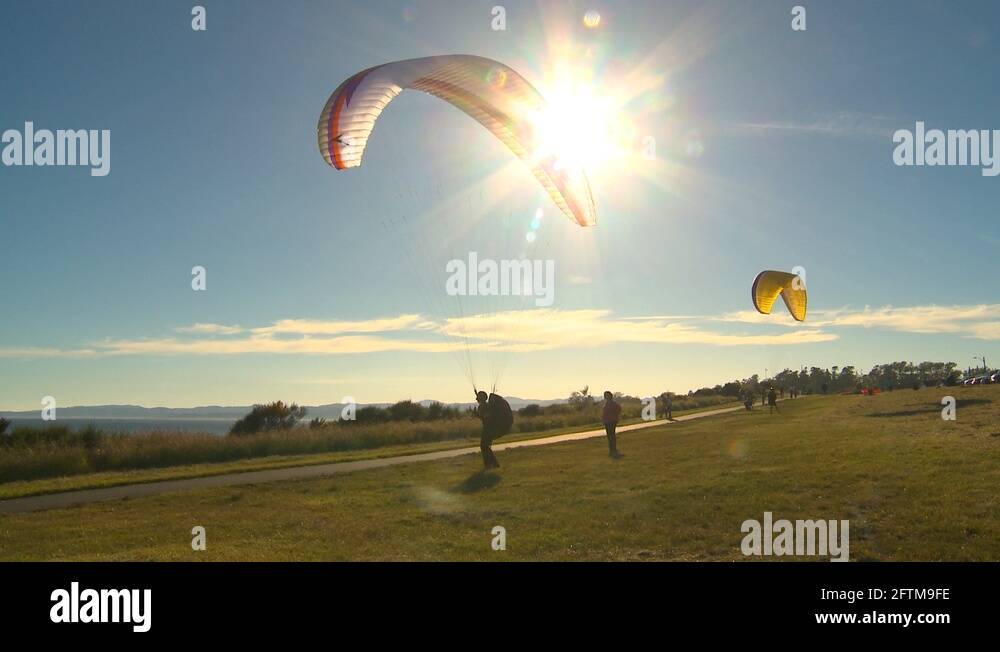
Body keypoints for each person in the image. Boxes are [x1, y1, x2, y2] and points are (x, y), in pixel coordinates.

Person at [475, 390, 501, 469]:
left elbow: (487, 417)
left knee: (484, 446)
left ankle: (493, 464)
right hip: (488, 428)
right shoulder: (485, 406)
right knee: (485, 446)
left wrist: (478, 415)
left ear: (481, 398)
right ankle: (489, 464)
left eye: (478, 398)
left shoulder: (486, 406)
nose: (476, 399)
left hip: (489, 429)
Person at [602, 390, 623, 457]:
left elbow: (619, 409)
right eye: (605, 396)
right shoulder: (606, 404)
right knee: (610, 437)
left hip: (611, 421)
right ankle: (612, 451)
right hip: (607, 422)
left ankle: (613, 451)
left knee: (612, 436)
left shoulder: (613, 404)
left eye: (607, 395)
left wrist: (615, 416)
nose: (605, 397)